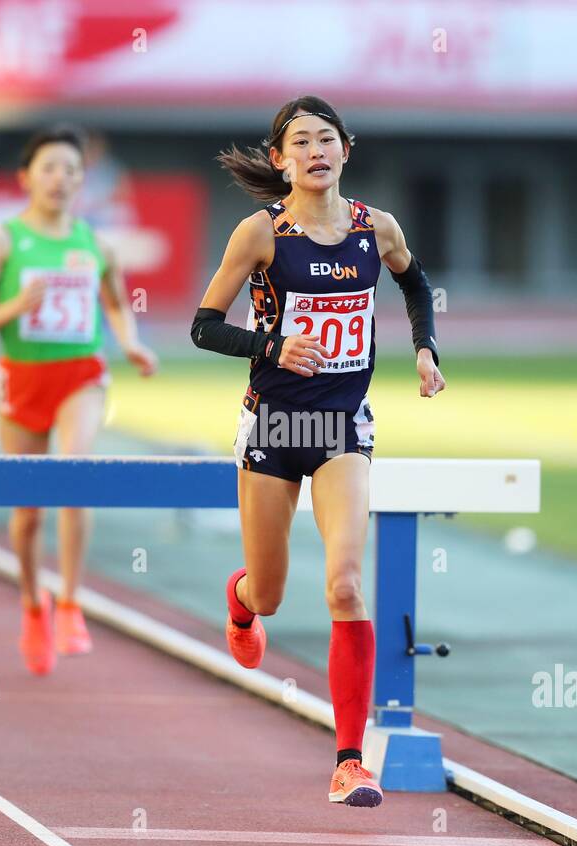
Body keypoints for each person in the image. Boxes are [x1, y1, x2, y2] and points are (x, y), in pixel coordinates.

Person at [191, 96, 445, 808]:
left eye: (325, 138)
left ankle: (349, 761)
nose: (314, 150)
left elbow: (414, 280)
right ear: (281, 159)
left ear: (345, 149)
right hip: (273, 426)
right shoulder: (260, 234)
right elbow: (204, 327)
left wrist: (425, 347)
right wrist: (273, 345)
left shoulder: (376, 228)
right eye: (299, 141)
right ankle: (241, 603)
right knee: (270, 592)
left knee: (344, 584)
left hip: (341, 429)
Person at [0, 127, 157, 675]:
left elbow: (117, 303)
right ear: (25, 177)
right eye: (49, 167)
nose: (61, 178)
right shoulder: (2, 240)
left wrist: (132, 343)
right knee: (27, 512)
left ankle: (71, 602)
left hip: (80, 376)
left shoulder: (95, 243)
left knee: (76, 474)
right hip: (21, 380)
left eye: (72, 169)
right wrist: (16, 305)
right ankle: (32, 604)